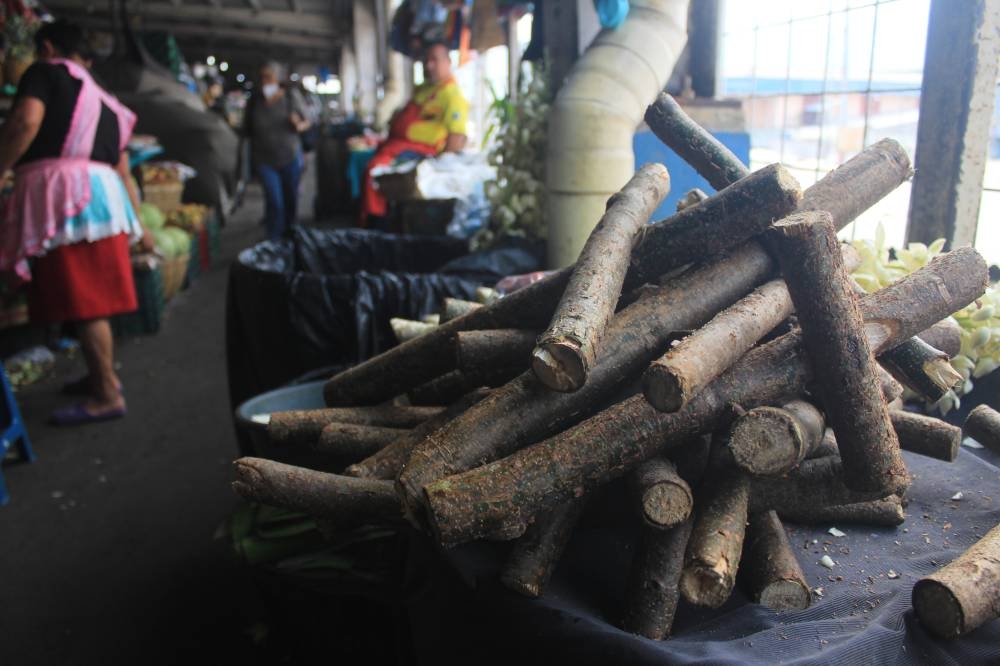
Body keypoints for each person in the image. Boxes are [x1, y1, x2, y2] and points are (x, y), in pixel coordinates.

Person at [0, 19, 151, 425]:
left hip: (68, 202)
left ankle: (105, 393)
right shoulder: (101, 95)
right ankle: (100, 379)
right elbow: (121, 167)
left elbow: (24, 122)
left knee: (86, 303)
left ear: (47, 47)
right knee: (90, 299)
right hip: (102, 204)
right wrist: (138, 224)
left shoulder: (44, 73)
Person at [361, 40, 469, 224]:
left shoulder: (453, 95)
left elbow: (456, 138)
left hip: (419, 153)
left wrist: (438, 167)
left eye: (434, 60)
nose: (429, 65)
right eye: (426, 61)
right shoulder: (425, 89)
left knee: (375, 172)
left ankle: (376, 221)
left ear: (448, 62)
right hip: (397, 145)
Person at [243, 61, 311, 240]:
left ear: (278, 79)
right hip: (264, 159)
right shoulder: (255, 100)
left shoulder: (290, 97)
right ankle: (274, 242)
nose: (264, 81)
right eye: (262, 77)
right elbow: (246, 130)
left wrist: (298, 124)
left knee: (290, 201)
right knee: (274, 202)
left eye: (268, 77)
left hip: (289, 156)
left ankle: (291, 238)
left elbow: (308, 121)